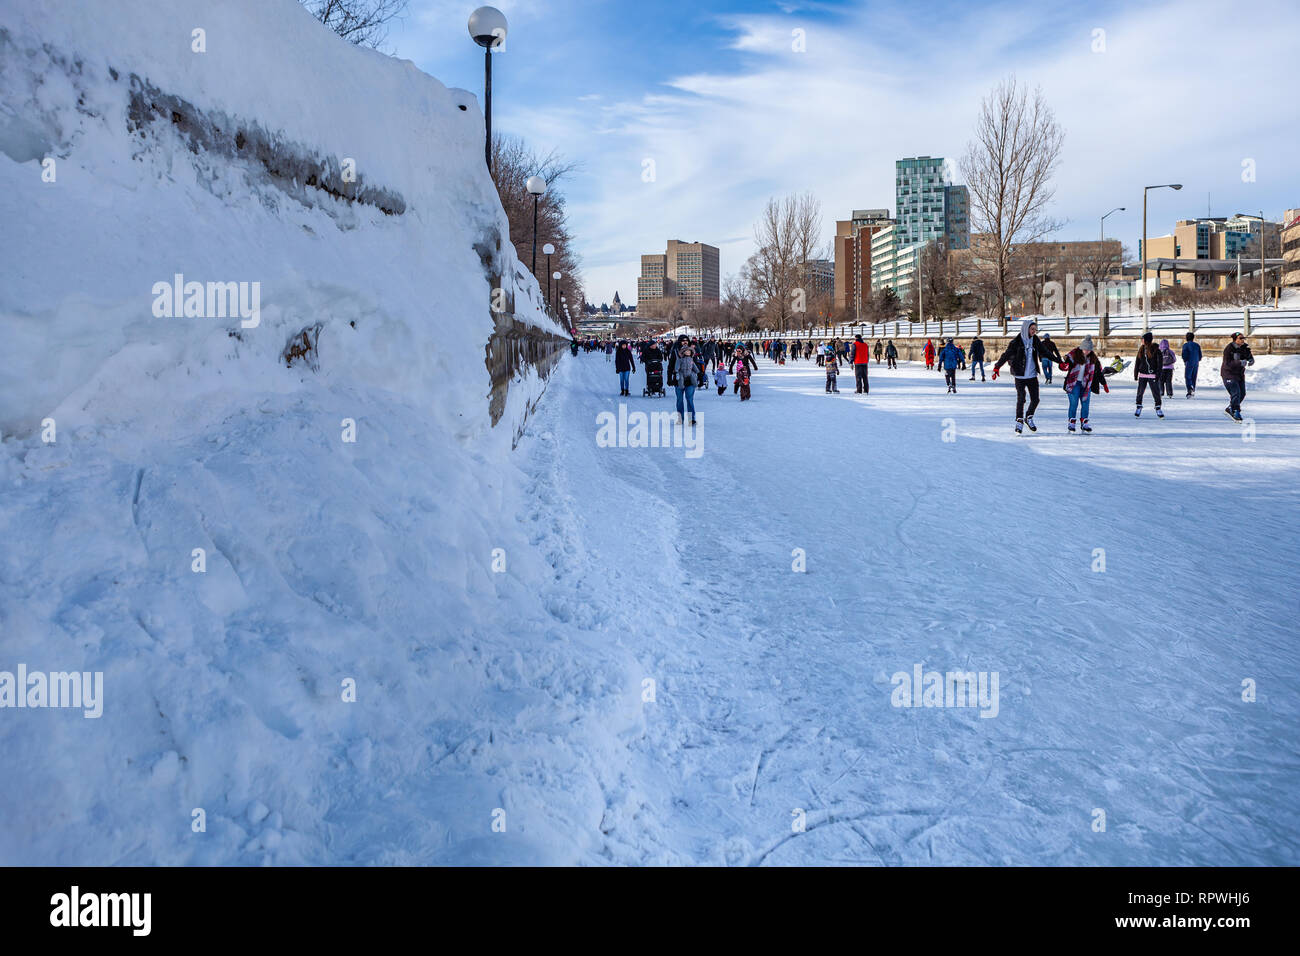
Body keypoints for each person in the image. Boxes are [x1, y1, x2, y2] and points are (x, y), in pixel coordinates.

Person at [992, 319, 1045, 434]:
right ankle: (1019, 421)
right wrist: (997, 367)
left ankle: (1029, 417)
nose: (1034, 332)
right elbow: (1006, 355)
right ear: (1026, 329)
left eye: (1035, 330)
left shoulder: (1035, 340)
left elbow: (1045, 352)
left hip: (1032, 376)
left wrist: (1059, 361)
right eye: (1032, 329)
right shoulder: (1016, 342)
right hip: (1020, 376)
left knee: (1036, 399)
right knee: (1021, 398)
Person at [1059, 335, 1109, 433]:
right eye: (1085, 349)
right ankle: (1072, 422)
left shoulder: (1093, 359)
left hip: (1086, 384)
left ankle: (1084, 422)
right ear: (1082, 347)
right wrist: (1063, 366)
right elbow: (1064, 365)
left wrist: (1104, 384)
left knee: (1085, 404)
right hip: (1073, 383)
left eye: (1089, 349)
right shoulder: (1073, 355)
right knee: (1074, 403)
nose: (1086, 351)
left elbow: (1098, 372)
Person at [1221, 332, 1254, 422]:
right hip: (1229, 374)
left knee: (1242, 393)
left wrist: (1251, 360)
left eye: (1243, 338)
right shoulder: (1229, 349)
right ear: (1235, 340)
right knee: (1236, 393)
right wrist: (1239, 362)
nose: (1243, 340)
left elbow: (1249, 356)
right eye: (1240, 338)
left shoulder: (1245, 348)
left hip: (1239, 375)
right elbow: (1227, 363)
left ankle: (1230, 408)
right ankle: (1235, 411)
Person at [669, 334, 700, 425]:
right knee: (679, 400)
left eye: (686, 340)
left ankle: (691, 419)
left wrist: (700, 376)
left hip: (690, 379)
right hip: (679, 380)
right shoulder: (675, 352)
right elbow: (671, 366)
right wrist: (669, 378)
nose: (685, 342)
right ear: (679, 342)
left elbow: (696, 365)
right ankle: (680, 418)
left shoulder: (691, 352)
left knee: (689, 399)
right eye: (683, 340)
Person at [1133, 331, 1164, 419]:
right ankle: (1138, 406)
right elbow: (1137, 362)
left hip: (1152, 375)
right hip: (1142, 375)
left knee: (1156, 393)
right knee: (1140, 392)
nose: (1141, 341)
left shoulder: (1156, 350)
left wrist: (1158, 375)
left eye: (1142, 339)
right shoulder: (1141, 349)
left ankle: (1158, 407)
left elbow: (1160, 364)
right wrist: (1136, 373)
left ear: (1146, 340)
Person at [1181, 332, 1202, 397]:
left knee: (1188, 376)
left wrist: (1185, 360)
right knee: (1194, 376)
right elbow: (1200, 355)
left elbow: (1184, 354)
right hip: (1196, 362)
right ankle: (1193, 389)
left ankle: (1190, 389)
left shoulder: (1185, 345)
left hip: (1189, 362)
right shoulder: (1197, 345)